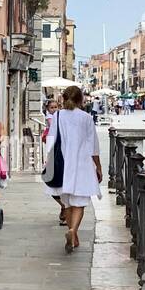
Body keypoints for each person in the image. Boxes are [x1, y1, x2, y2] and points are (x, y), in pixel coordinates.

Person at [44, 85, 102, 251]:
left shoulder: (58, 116)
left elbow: (51, 138)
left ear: (63, 98)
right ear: (80, 99)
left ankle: (73, 236)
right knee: (80, 202)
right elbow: (93, 146)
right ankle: (73, 230)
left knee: (67, 203)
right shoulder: (86, 117)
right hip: (82, 164)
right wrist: (98, 167)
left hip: (62, 164)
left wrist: (48, 160)